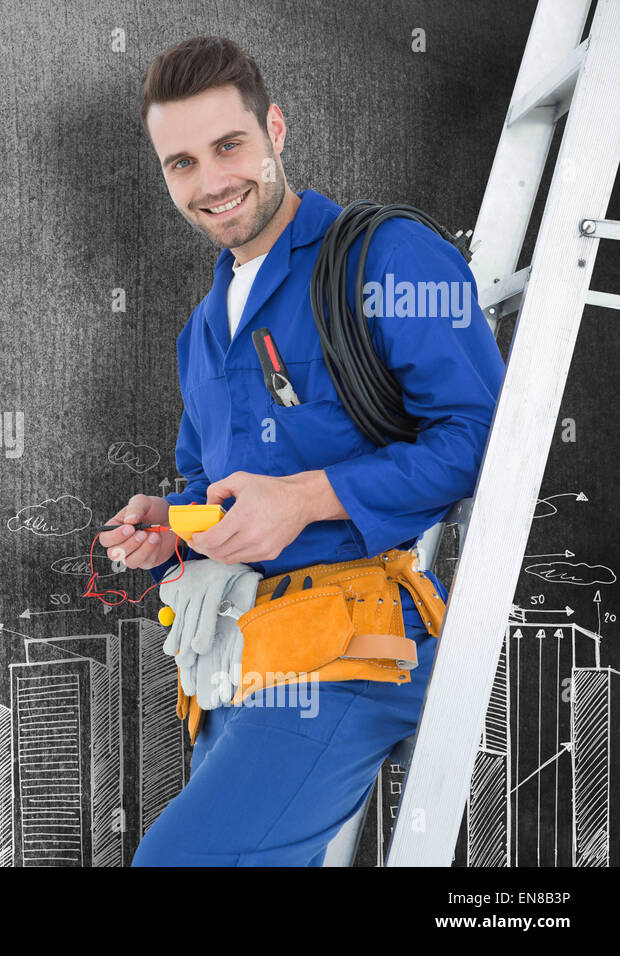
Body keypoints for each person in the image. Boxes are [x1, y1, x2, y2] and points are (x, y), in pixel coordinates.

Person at [101, 36, 507, 866]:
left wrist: (311, 496)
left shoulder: (387, 258)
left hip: (347, 654)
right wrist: (171, 527)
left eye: (229, 145)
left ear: (275, 129)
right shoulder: (201, 333)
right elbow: (207, 487)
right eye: (181, 163)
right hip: (237, 666)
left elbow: (482, 441)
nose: (211, 182)